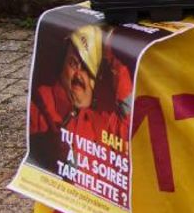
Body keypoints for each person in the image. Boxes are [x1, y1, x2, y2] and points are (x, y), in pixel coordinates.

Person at [29, 25, 131, 182]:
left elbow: (129, 119)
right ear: (61, 65)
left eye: (87, 70)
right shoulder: (40, 105)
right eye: (73, 64)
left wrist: (111, 53)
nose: (79, 75)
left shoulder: (100, 121)